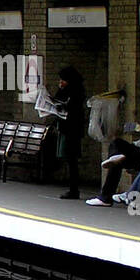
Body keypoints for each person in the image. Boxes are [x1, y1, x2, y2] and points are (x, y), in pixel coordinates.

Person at [52, 66, 86, 200]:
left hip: (73, 129)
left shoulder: (76, 91)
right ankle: (72, 188)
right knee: (69, 158)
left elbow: (71, 107)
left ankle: (74, 189)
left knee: (72, 158)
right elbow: (57, 100)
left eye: (63, 80)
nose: (61, 82)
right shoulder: (66, 90)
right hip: (66, 127)